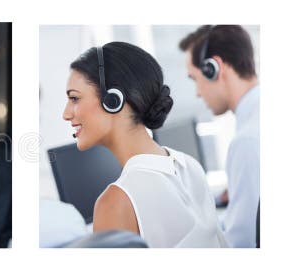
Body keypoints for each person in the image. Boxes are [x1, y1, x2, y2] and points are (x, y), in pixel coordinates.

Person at [63, 42, 226, 247]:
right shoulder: (190, 165)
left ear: (113, 100)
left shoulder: (116, 202)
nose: (66, 113)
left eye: (75, 98)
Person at [179, 25, 260, 248]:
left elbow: (241, 244)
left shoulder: (247, 141)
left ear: (214, 68)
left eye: (195, 79)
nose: (197, 92)